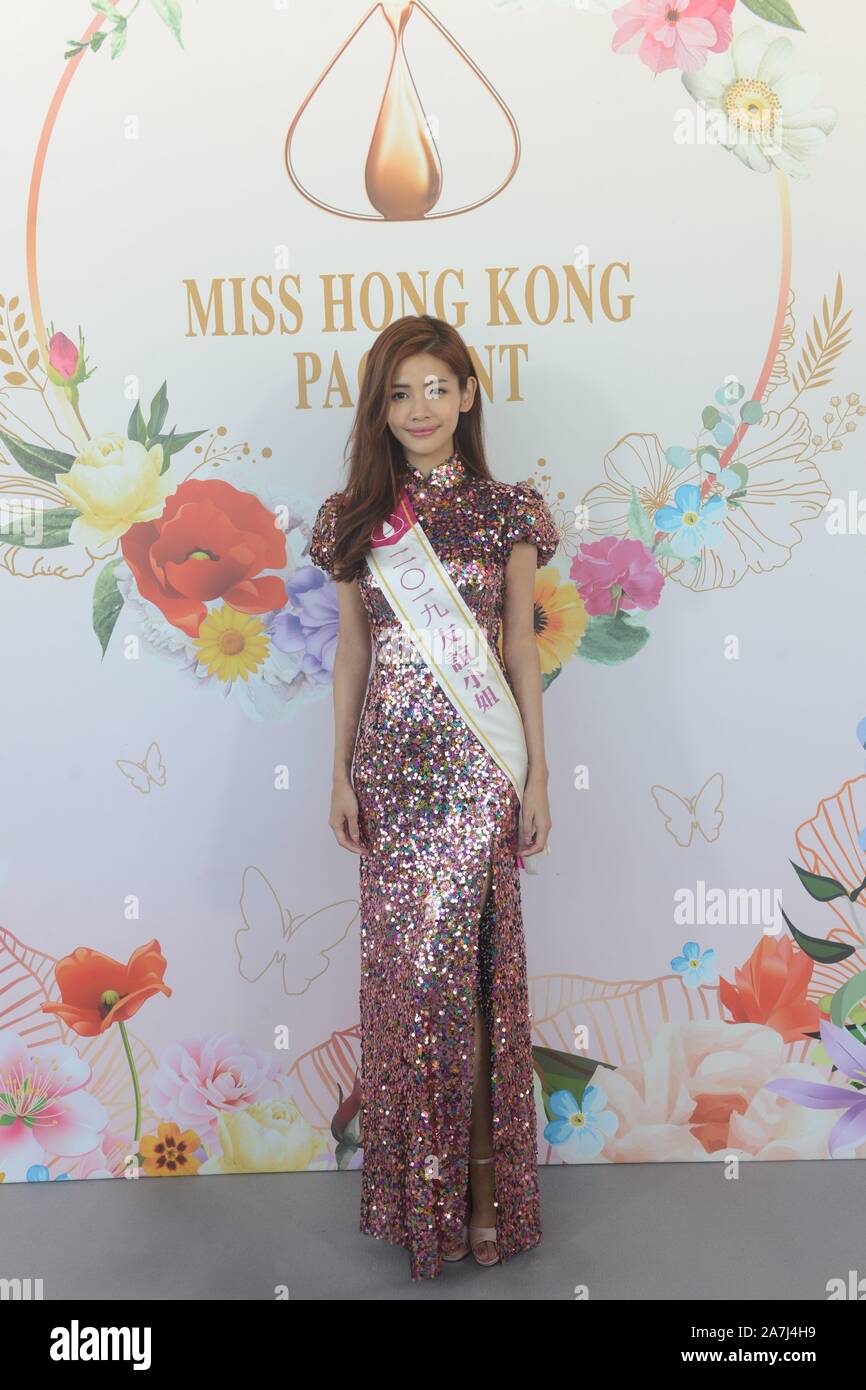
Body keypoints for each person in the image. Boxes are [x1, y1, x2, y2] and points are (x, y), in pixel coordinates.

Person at [309, 313, 557, 1280]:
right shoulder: (353, 519)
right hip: (392, 781)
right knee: (411, 998)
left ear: (467, 396)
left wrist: (535, 772)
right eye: (400, 391)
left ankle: (488, 1198)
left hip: (479, 774)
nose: (421, 408)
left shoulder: (509, 511)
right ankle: (422, 1208)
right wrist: (337, 769)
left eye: (438, 388)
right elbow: (352, 651)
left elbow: (522, 650)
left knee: (481, 995)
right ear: (381, 405)